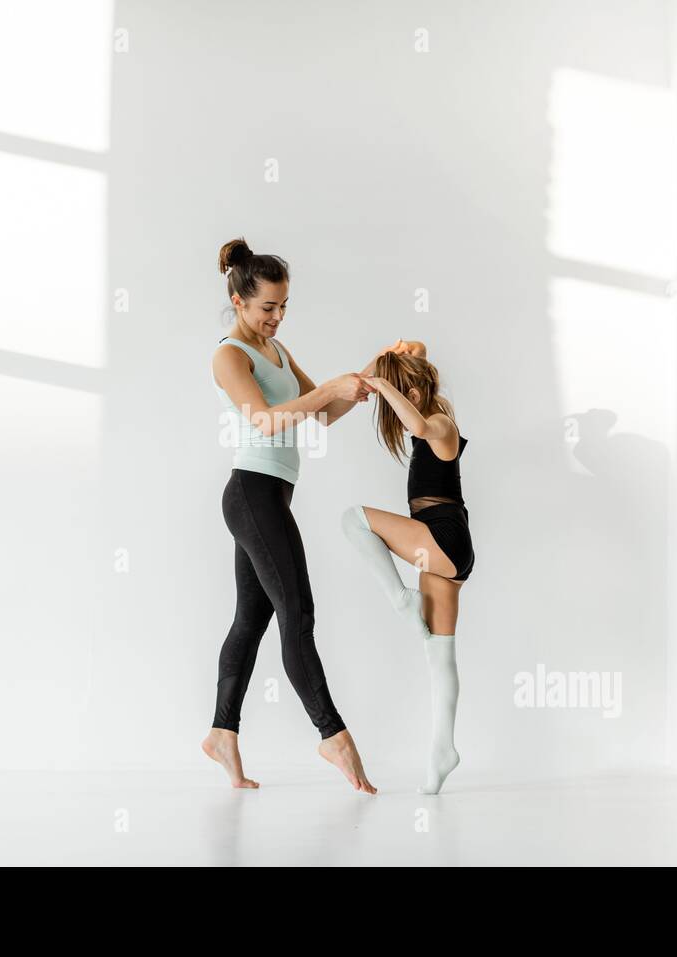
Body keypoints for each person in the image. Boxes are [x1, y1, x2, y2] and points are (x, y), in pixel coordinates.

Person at [202, 237, 378, 794]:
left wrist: (369, 377)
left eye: (283, 307)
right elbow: (266, 421)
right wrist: (326, 388)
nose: (277, 317)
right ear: (238, 301)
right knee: (296, 613)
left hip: (273, 496)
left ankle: (221, 734)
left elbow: (323, 412)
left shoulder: (277, 351)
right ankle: (332, 735)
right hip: (251, 495)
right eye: (266, 308)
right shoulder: (230, 354)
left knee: (250, 620)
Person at [339, 339, 473, 794]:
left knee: (353, 519)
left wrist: (385, 383)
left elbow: (415, 420)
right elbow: (377, 376)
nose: (399, 410)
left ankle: (400, 599)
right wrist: (385, 358)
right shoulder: (429, 407)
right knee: (439, 653)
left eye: (404, 395)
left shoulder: (440, 422)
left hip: (441, 538)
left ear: (416, 393)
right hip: (440, 549)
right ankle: (442, 752)